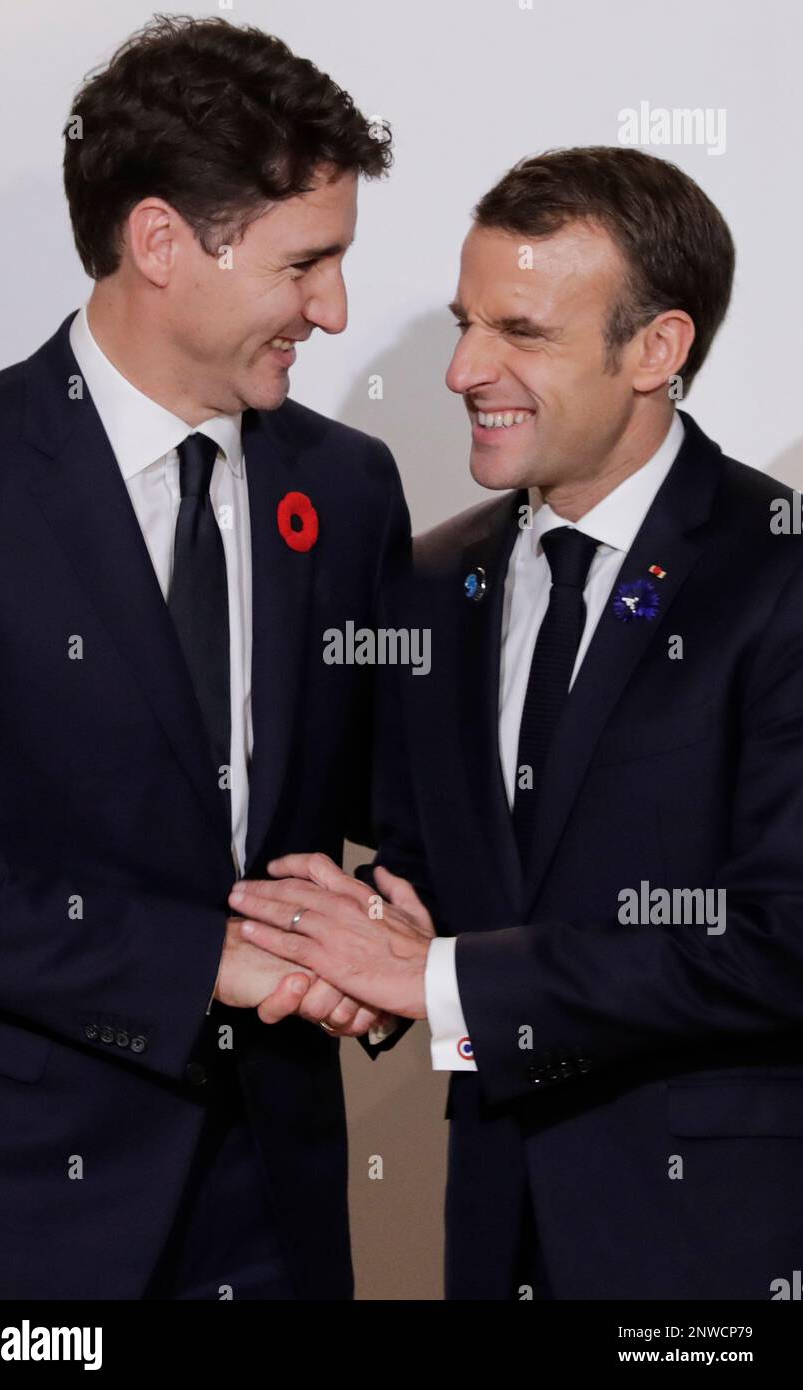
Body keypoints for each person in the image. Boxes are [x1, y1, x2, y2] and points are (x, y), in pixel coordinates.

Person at [233, 146, 803, 1300]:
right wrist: (354, 943)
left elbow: (783, 940)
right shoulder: (434, 582)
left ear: (658, 349)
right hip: (494, 1234)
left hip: (722, 1255)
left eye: (521, 332)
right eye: (464, 322)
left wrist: (439, 982)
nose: (461, 370)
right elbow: (443, 881)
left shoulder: (780, 571)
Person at [0, 16, 407, 1300]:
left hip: (283, 1200)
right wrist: (196, 959)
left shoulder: (350, 485)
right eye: (303, 264)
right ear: (160, 241)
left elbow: (394, 794)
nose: (334, 310)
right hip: (25, 1210)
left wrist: (403, 923)